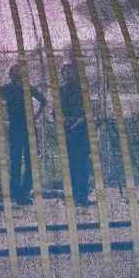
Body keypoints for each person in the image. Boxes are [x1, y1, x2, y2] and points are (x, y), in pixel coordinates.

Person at [0, 64, 45, 205]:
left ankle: (24, 191)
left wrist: (36, 117)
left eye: (19, 74)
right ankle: (18, 193)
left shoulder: (27, 88)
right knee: (16, 162)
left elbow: (43, 101)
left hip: (26, 129)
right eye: (15, 73)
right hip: (16, 129)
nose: (17, 76)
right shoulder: (8, 89)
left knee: (29, 161)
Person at [59, 62, 91, 205]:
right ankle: (73, 194)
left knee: (82, 163)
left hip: (80, 131)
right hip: (68, 131)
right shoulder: (61, 90)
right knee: (71, 163)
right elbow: (56, 110)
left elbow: (86, 110)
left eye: (69, 72)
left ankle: (82, 195)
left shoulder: (81, 90)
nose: (67, 75)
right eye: (64, 72)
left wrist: (76, 122)